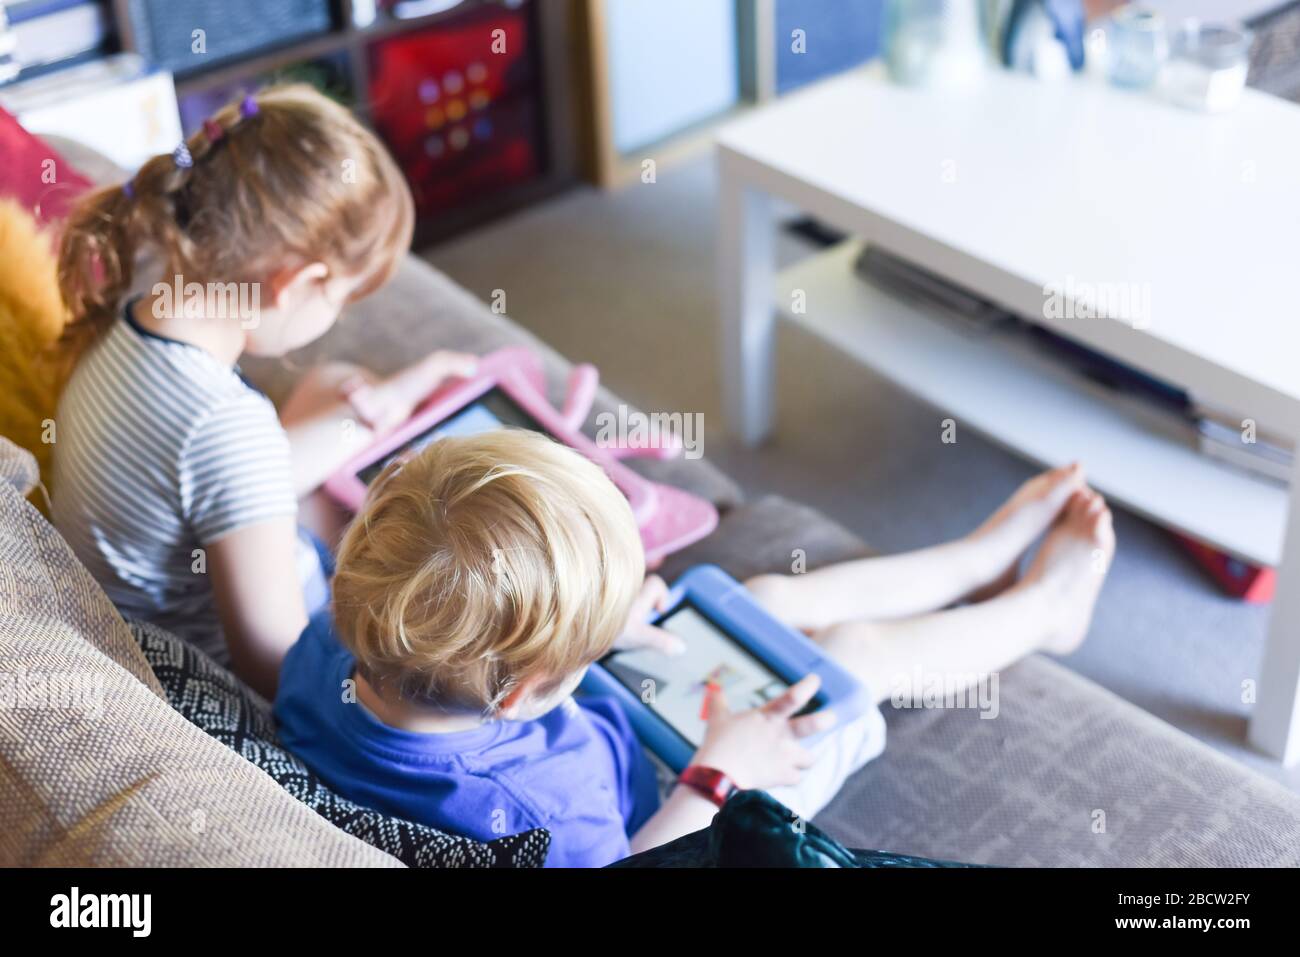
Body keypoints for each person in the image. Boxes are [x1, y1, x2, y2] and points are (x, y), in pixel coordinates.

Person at [274, 429, 1114, 866]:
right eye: (583, 640)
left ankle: (971, 560)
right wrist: (724, 772)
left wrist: (587, 644)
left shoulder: (331, 637)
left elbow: (473, 674)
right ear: (529, 687)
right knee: (856, 656)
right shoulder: (537, 820)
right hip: (689, 795)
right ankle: (1044, 611)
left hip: (590, 712)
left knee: (766, 601)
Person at [49, 84, 477, 697]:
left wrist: (387, 408)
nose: (337, 317)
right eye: (340, 299)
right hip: (225, 682)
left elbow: (223, 476)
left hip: (172, 591)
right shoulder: (223, 425)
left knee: (336, 391)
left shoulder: (136, 317)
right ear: (298, 282)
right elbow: (275, 666)